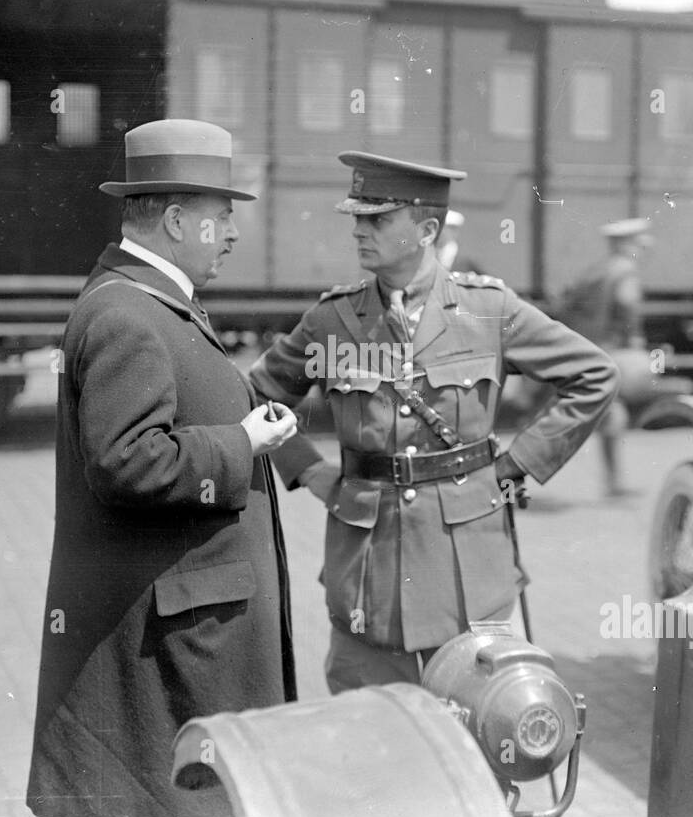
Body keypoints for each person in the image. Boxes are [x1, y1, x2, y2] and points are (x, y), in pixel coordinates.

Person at [249, 151, 618, 692]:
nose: (359, 230)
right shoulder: (331, 320)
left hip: (469, 574)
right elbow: (259, 392)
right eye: (356, 217)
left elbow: (595, 374)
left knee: (484, 732)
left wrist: (517, 466)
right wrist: (308, 469)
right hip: (367, 577)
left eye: (377, 219)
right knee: (372, 731)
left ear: (426, 229)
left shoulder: (488, 310)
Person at [27, 119, 299, 817]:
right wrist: (241, 442)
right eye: (223, 216)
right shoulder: (129, 315)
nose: (233, 233)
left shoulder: (142, 299)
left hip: (187, 634)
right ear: (177, 220)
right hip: (176, 652)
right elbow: (126, 461)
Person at [556, 217, 654, 497]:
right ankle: (612, 482)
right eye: (640, 245)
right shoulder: (625, 272)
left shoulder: (597, 270)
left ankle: (613, 481)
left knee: (610, 413)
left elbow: (567, 304)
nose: (644, 251)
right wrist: (635, 341)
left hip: (588, 348)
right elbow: (627, 305)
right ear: (626, 244)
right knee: (607, 413)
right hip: (610, 351)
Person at [434, 208, 485, 275]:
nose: (443, 232)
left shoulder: (467, 262)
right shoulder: (424, 256)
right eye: (440, 228)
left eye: (449, 229)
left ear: (455, 232)